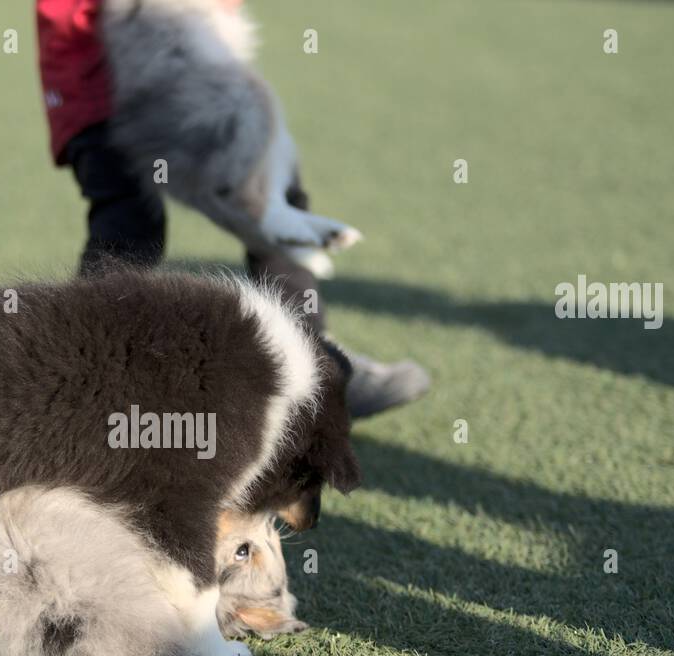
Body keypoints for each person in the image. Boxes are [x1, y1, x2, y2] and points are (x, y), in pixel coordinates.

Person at [35, 0, 430, 418]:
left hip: (190, 71)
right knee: (130, 222)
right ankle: (82, 376)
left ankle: (313, 368)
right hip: (104, 86)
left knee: (273, 191)